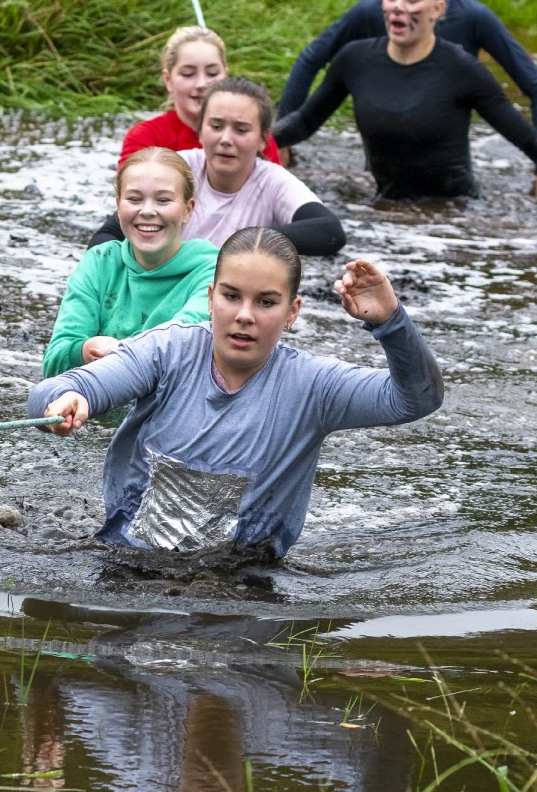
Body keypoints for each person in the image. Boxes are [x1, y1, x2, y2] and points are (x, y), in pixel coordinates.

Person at [26, 227, 444, 559]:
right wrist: (66, 399)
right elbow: (58, 391)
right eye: (231, 296)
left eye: (265, 302)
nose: (244, 316)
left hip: (244, 577)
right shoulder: (167, 350)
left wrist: (391, 323)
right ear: (211, 298)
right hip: (126, 560)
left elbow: (416, 399)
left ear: (292, 312)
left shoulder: (313, 386)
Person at [273, 0, 537, 217]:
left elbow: (525, 137)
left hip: (455, 216)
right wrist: (256, 140)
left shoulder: (461, 69)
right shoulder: (354, 59)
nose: (398, 7)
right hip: (383, 207)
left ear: (438, 8)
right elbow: (304, 123)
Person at [91, 78, 346, 256]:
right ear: (200, 132)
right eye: (216, 126)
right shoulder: (178, 167)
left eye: (241, 129)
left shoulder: (273, 181)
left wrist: (248, 240)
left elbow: (330, 232)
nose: (226, 139)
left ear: (262, 140)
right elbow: (107, 235)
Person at [42, 148, 217, 377]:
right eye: (134, 199)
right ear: (118, 205)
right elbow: (53, 362)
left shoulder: (213, 268)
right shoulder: (99, 262)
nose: (147, 211)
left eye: (163, 200)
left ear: (188, 209)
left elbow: (181, 341)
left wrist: (120, 351)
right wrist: (85, 350)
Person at [119, 23, 281, 166]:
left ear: (225, 75)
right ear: (168, 80)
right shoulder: (145, 138)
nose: (202, 84)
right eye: (188, 74)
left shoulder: (254, 136)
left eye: (212, 73)